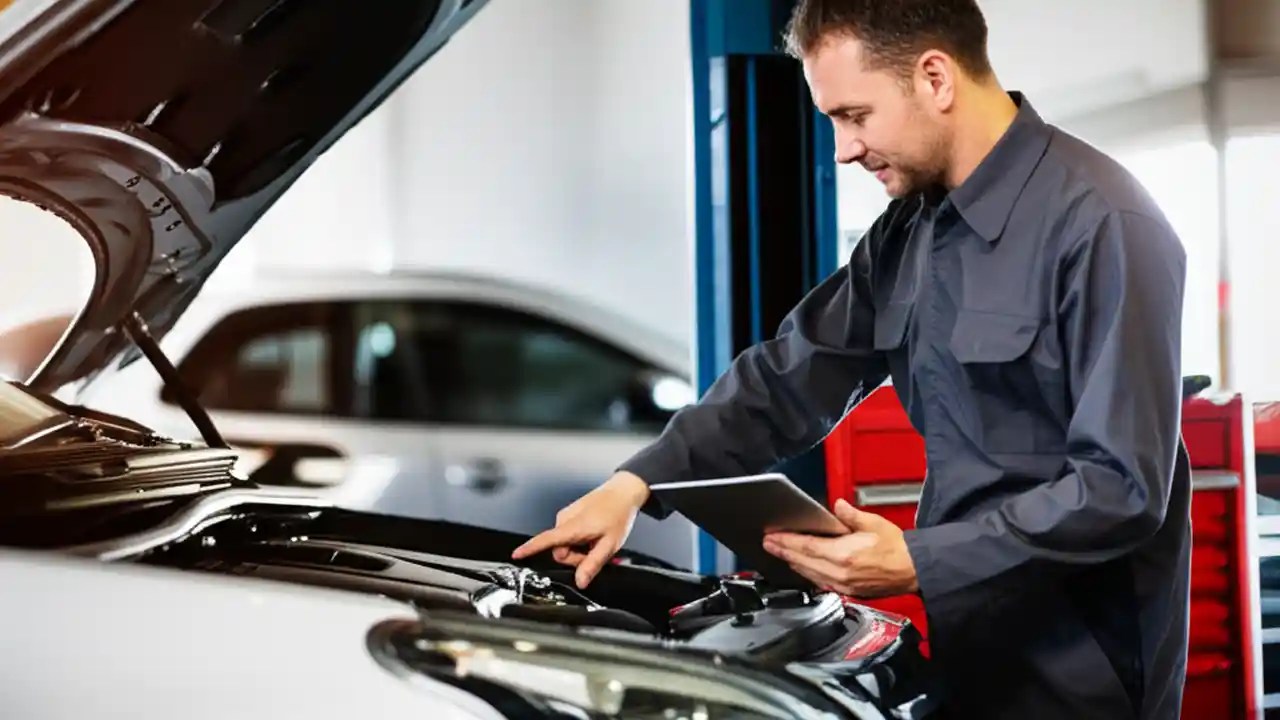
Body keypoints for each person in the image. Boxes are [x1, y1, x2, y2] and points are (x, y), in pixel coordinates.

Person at [513, 1, 1190, 717]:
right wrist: (638, 483)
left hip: (1087, 671)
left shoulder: (1106, 225)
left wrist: (917, 560)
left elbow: (1122, 489)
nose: (841, 148)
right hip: (969, 644)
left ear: (935, 78)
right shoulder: (909, 232)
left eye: (855, 115)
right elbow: (788, 377)